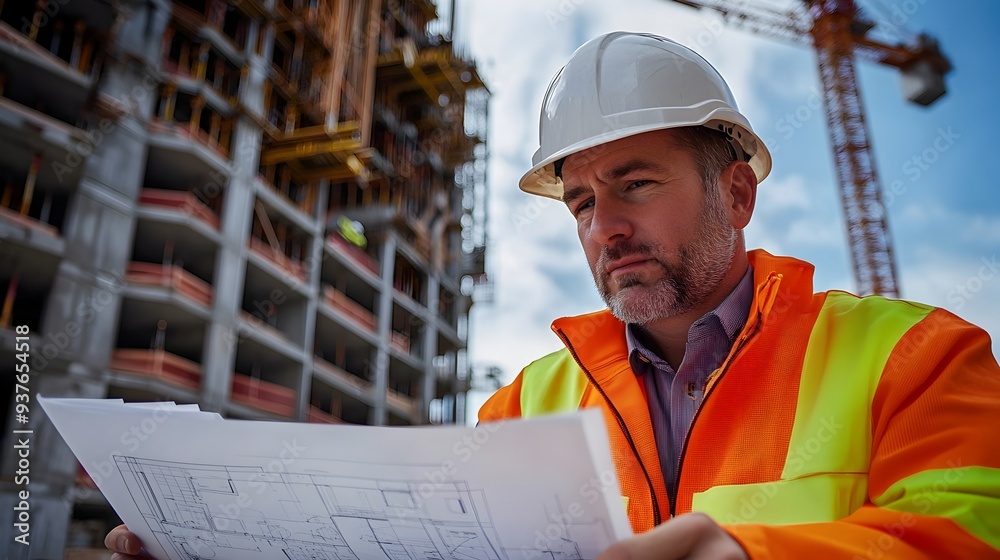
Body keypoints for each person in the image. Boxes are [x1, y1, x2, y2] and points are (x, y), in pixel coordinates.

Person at [105, 32, 1000, 560]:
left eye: (636, 183)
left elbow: (973, 534)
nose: (603, 227)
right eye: (579, 202)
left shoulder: (913, 357)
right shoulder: (529, 402)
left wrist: (749, 553)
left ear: (737, 193)